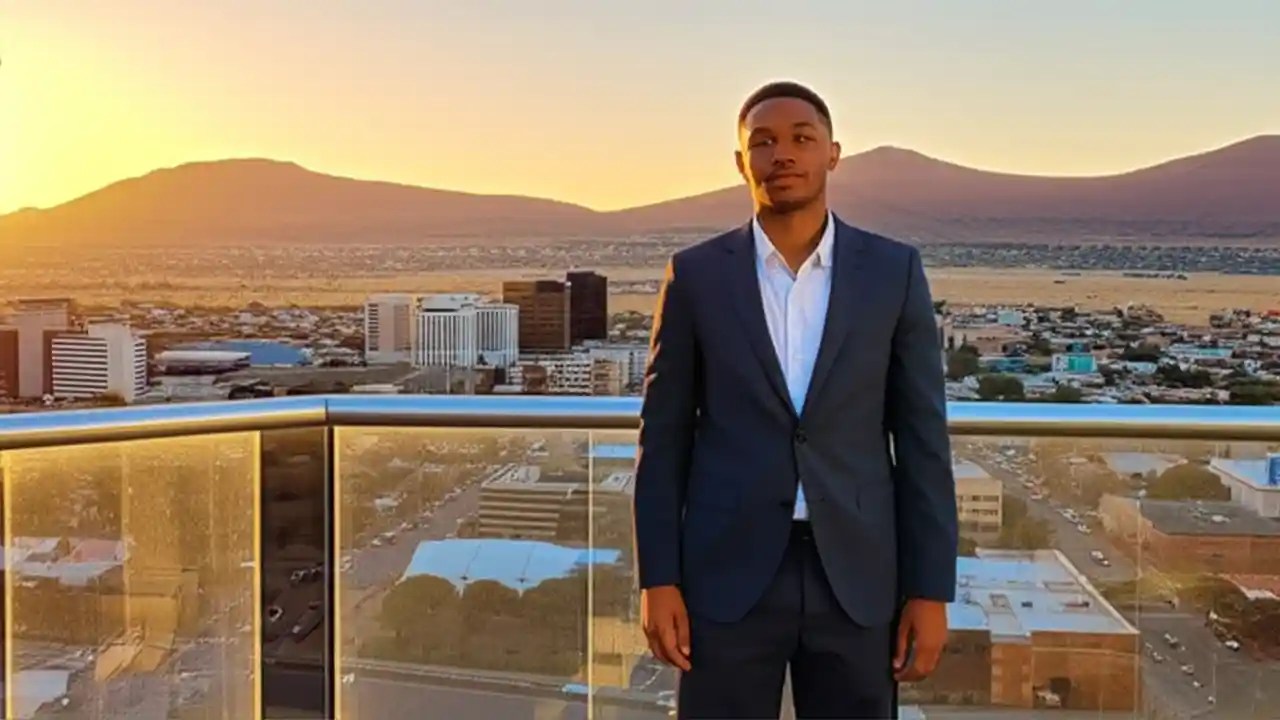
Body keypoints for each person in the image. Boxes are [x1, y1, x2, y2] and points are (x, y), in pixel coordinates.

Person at [633, 80, 958, 719]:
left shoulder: (893, 272)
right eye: (764, 141)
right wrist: (658, 578)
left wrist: (929, 588)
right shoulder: (696, 275)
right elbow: (663, 437)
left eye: (801, 139)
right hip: (726, 576)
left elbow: (923, 440)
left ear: (833, 153)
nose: (783, 154)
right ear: (741, 162)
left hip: (859, 578)